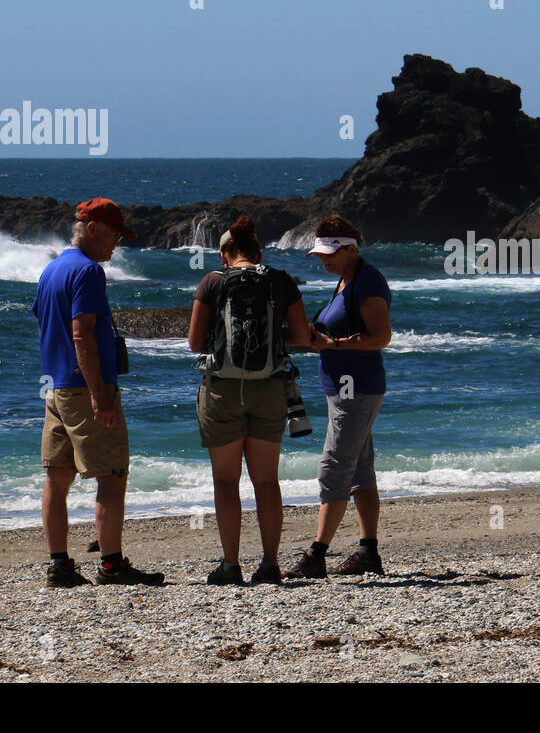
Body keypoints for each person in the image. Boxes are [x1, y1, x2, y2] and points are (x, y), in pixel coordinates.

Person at [32, 198, 165, 588]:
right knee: (112, 476)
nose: (116, 244)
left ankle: (60, 565)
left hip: (55, 387)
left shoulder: (50, 270)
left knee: (57, 479)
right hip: (85, 387)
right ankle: (111, 564)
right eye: (113, 235)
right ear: (91, 229)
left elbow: (45, 325)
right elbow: (81, 333)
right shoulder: (89, 272)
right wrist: (99, 396)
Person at [188, 217, 309, 585]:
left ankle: (230, 565)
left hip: (223, 389)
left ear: (225, 254)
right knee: (267, 481)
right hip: (269, 387)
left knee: (226, 481)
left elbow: (194, 343)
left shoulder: (212, 282)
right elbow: (301, 336)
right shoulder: (280, 279)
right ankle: (270, 565)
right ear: (259, 252)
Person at [284, 215, 393, 579]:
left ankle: (317, 555)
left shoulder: (367, 281)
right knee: (360, 470)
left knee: (334, 467)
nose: (323, 260)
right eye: (320, 254)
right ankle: (368, 552)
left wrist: (338, 344)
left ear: (351, 248)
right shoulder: (348, 280)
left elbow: (380, 336)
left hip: (355, 387)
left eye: (330, 253)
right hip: (345, 386)